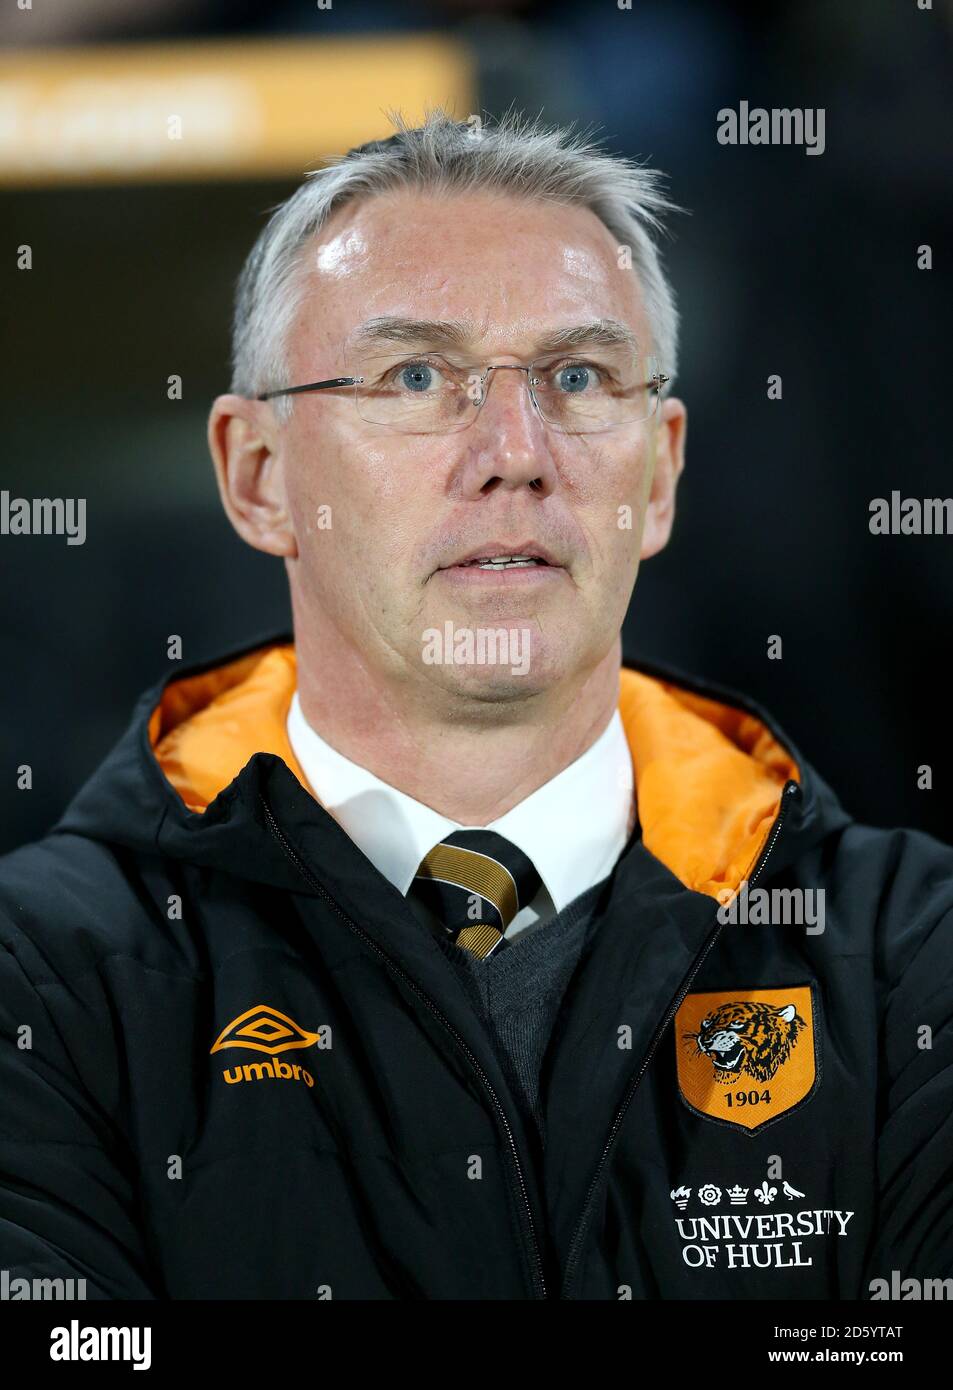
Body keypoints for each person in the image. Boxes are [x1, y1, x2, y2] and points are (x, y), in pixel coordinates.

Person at [0, 109, 950, 1301]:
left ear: (657, 476)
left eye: (575, 376)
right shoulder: (41, 978)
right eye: (413, 376)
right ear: (258, 475)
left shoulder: (912, 953)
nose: (515, 450)